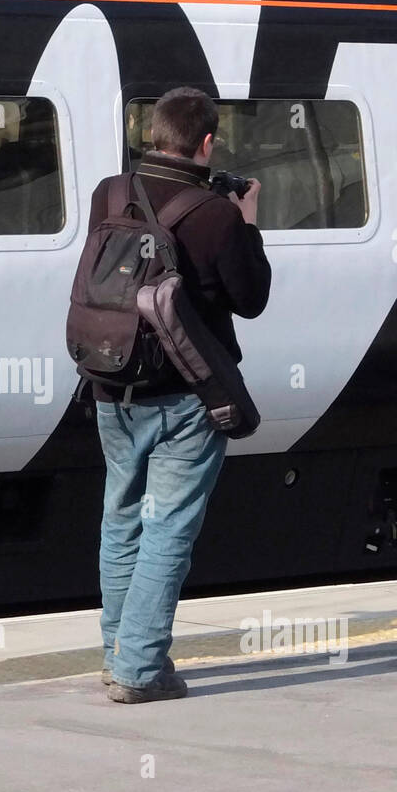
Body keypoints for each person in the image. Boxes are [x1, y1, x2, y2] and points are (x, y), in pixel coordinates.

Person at [89, 87, 271, 703]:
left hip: (111, 382)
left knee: (122, 519)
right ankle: (139, 670)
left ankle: (118, 655)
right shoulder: (216, 214)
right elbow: (251, 299)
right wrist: (246, 224)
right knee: (166, 528)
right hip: (186, 392)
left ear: (154, 132)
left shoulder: (110, 194)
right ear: (208, 142)